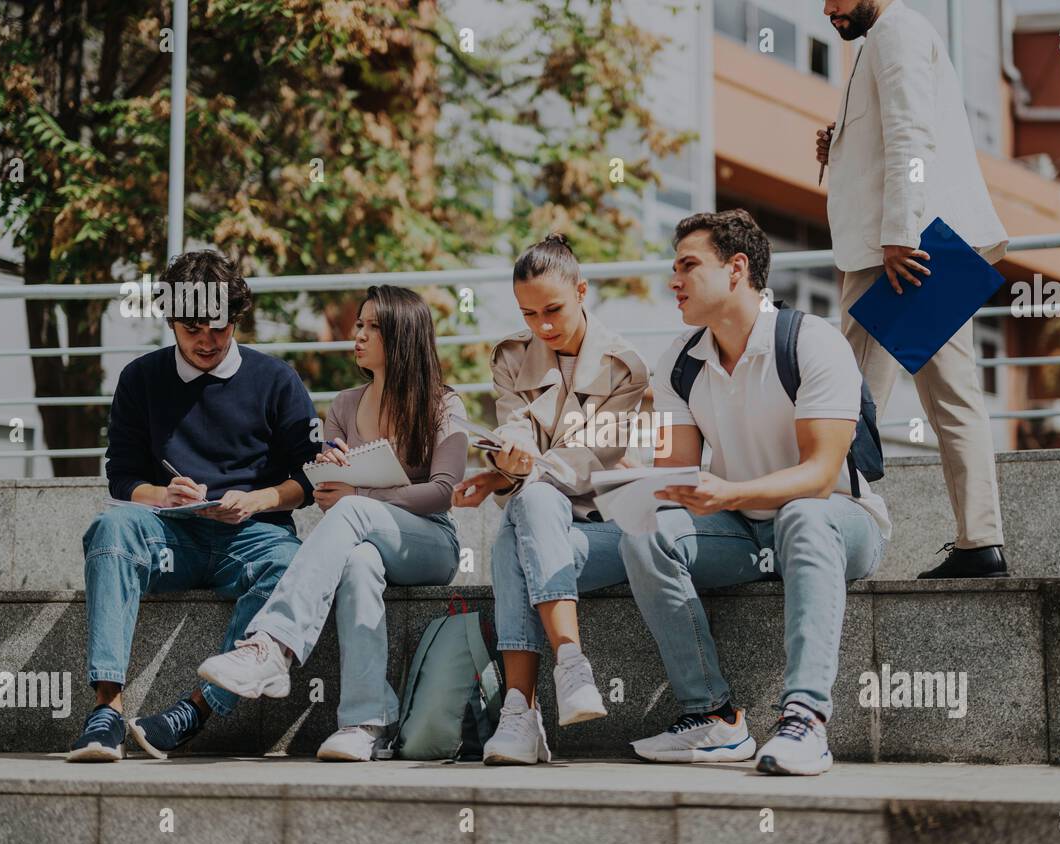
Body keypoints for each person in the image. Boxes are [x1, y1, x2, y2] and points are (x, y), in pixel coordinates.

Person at [622, 210, 890, 776]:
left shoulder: (812, 342)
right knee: (646, 534)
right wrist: (629, 484)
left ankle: (806, 720)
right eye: (674, 267)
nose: (674, 281)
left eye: (688, 266)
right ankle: (713, 717)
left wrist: (730, 491)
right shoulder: (679, 360)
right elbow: (676, 477)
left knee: (803, 517)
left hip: (840, 521)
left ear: (737, 269)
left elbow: (820, 475)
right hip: (743, 529)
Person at [197, 286, 467, 761]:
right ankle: (365, 722)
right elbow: (326, 498)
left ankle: (273, 646)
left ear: (402, 336)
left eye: (370, 327)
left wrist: (360, 494)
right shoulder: (342, 406)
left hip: (430, 543)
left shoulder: (444, 405)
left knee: (355, 512)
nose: (356, 334)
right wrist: (334, 481)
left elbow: (443, 491)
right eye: (357, 324)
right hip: (366, 540)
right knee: (359, 562)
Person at [69, 250, 319, 762]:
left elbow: (309, 478)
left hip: (253, 538)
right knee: (111, 528)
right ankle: (106, 712)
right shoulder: (140, 379)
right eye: (191, 327)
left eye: (219, 327)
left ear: (236, 318)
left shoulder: (277, 379)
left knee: (294, 564)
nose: (206, 340)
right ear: (170, 321)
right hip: (171, 538)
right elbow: (122, 475)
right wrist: (163, 496)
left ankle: (195, 710)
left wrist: (257, 500)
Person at [817, 0, 1010, 578]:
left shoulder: (896, 30)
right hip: (920, 248)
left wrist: (900, 235)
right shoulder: (887, 34)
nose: (828, 9)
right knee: (950, 398)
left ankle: (826, 535)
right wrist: (842, 144)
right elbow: (894, 133)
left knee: (841, 397)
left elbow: (911, 139)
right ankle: (981, 543)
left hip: (899, 253)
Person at [455, 234, 649, 765]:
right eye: (529, 312)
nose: (542, 325)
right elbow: (513, 430)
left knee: (514, 537)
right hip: (546, 521)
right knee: (531, 511)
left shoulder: (625, 367)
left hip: (611, 528)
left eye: (553, 309)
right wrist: (506, 461)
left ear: (583, 291)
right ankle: (568, 665)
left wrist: (507, 476)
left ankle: (521, 713)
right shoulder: (512, 357)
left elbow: (591, 458)